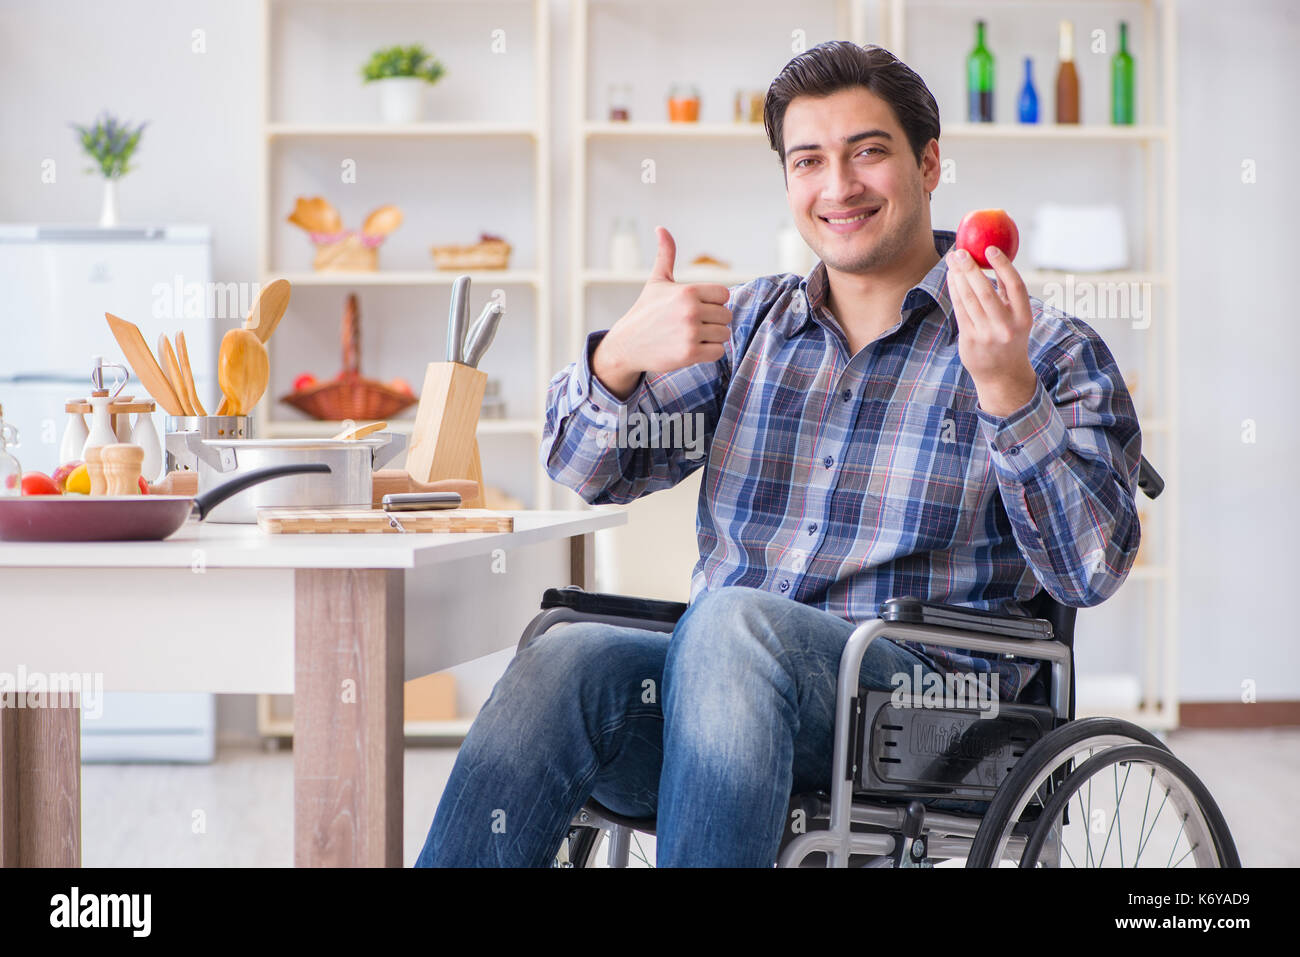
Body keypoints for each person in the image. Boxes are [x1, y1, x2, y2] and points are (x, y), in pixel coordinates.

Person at [415, 40, 1141, 867]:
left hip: (931, 715)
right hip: (723, 711)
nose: (839, 186)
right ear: (789, 180)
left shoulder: (1042, 347)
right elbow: (584, 469)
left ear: (929, 162)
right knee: (563, 659)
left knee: (732, 622)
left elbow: (1091, 569)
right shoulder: (752, 327)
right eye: (809, 161)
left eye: (868, 152)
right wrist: (617, 357)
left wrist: (1008, 392)